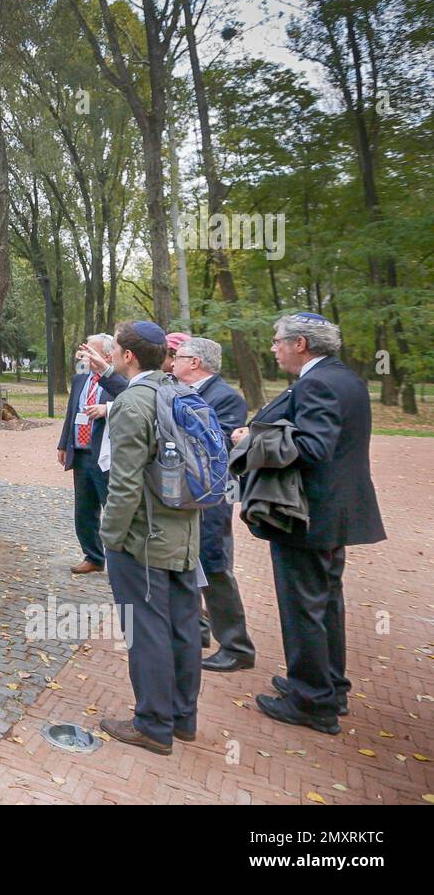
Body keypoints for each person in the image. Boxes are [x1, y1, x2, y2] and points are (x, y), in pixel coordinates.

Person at [231, 313, 385, 735]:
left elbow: (315, 447)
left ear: (300, 343)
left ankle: (310, 702)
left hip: (308, 515)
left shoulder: (317, 382)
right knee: (325, 603)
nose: (273, 347)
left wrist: (252, 440)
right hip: (335, 513)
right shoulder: (345, 378)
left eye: (278, 341)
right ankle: (327, 686)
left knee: (304, 608)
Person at [98, 320, 203, 755]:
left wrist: (111, 537)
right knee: (183, 624)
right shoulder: (182, 392)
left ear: (128, 356)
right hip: (185, 531)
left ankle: (153, 724)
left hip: (143, 536)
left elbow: (123, 485)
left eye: (117, 349)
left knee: (146, 629)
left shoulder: (133, 403)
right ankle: (182, 717)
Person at [172, 336, 255, 671]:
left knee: (215, 567)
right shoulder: (182, 391)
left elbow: (215, 444)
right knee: (190, 562)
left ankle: (237, 646)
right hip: (187, 494)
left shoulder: (226, 398)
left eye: (177, 356)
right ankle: (198, 631)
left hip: (213, 497)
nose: (172, 361)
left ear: (195, 362)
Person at [56, 333, 128, 574]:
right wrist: (64, 444)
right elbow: (71, 413)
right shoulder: (80, 379)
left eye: (90, 351)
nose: (84, 356)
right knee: (84, 510)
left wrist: (107, 409)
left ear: (107, 355)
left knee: (112, 509)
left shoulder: (120, 380)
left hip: (106, 456)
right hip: (81, 454)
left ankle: (122, 564)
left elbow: (134, 404)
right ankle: (93, 557)